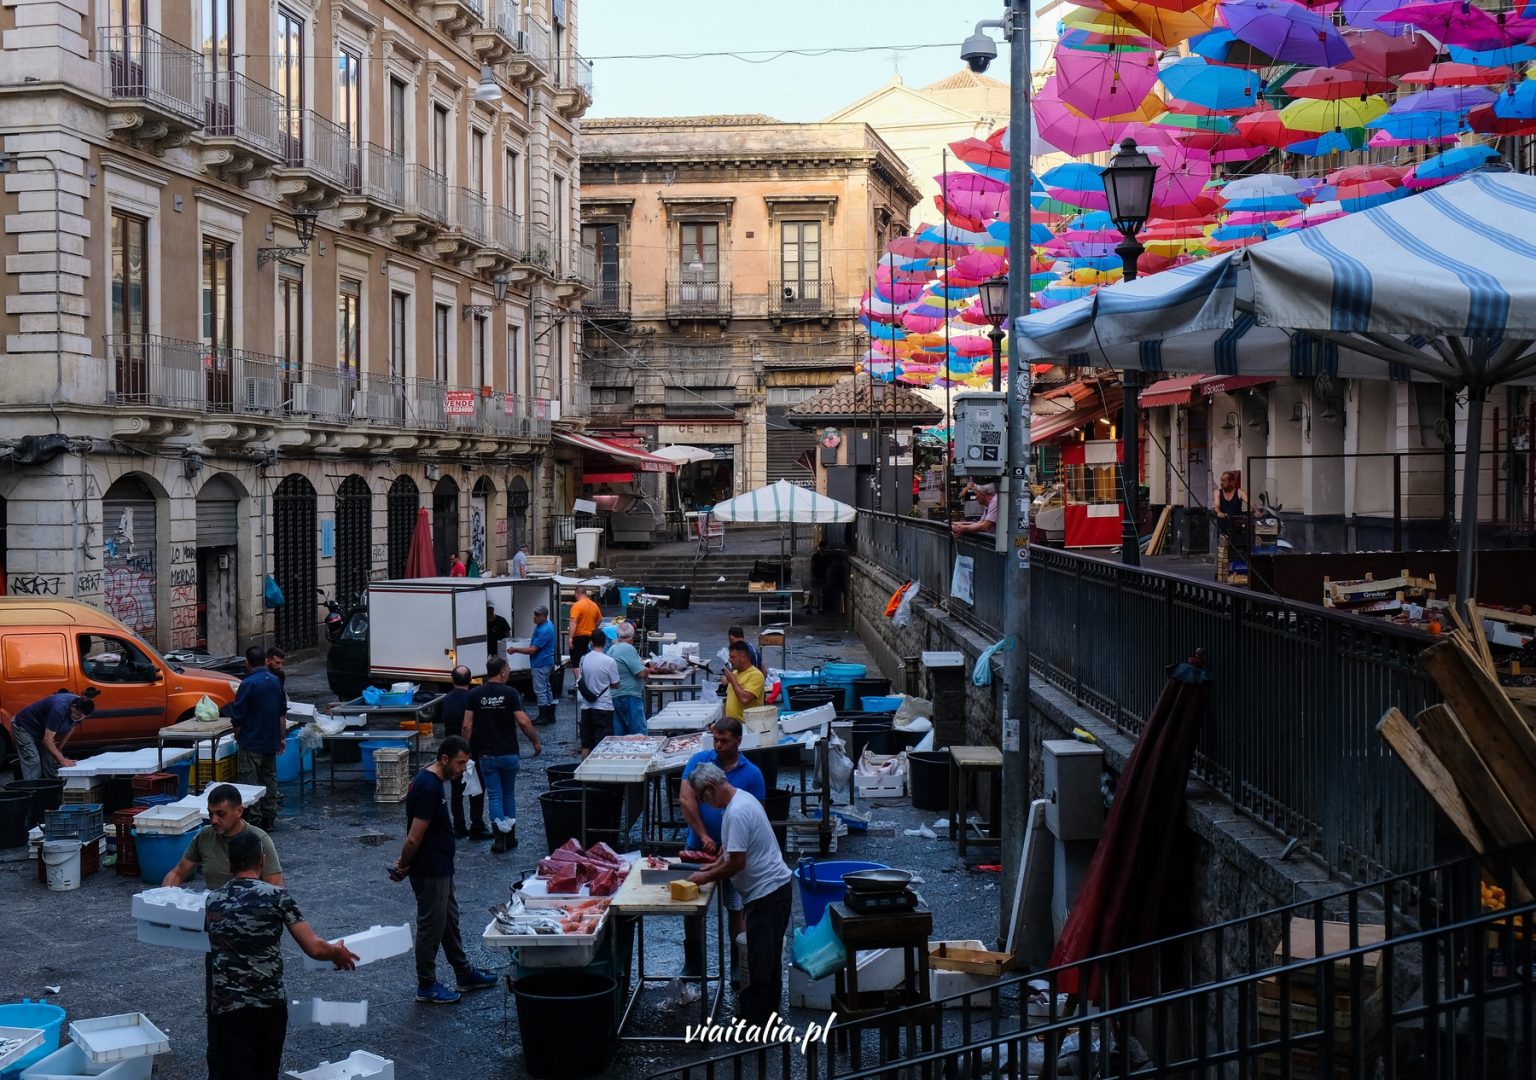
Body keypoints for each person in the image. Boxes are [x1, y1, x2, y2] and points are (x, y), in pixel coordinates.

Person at [204, 829, 357, 1080]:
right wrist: (337, 952)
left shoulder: (212, 900)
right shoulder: (277, 897)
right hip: (268, 1004)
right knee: (264, 1072)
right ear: (261, 861)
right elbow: (314, 948)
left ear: (229, 863)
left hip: (226, 1006)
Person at [389, 735, 498, 1005]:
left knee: (449, 921)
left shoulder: (433, 781)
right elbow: (414, 837)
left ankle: (464, 973)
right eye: (461, 763)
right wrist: (403, 865)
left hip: (440, 866)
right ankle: (426, 984)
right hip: (430, 869)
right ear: (445, 759)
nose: (463, 769)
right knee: (431, 926)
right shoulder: (428, 787)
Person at [686, 762, 794, 1024]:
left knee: (762, 964)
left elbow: (736, 863)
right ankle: (764, 1016)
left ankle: (758, 1023)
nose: (702, 803)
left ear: (711, 789)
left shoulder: (737, 811)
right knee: (765, 960)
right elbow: (727, 850)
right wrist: (711, 866)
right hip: (770, 891)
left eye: (701, 798)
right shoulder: (739, 800)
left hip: (768, 893)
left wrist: (706, 876)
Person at [679, 717, 766, 978]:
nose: (717, 745)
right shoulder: (699, 761)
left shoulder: (752, 774)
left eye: (724, 740)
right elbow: (685, 799)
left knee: (736, 908)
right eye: (715, 739)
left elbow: (757, 817)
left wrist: (729, 846)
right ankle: (693, 962)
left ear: (738, 740)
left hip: (734, 852)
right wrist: (703, 835)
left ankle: (738, 965)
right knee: (691, 906)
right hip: (697, 846)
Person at [463, 657, 542, 852]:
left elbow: (467, 725)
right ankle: (511, 837)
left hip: (486, 755)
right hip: (509, 753)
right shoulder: (511, 693)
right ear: (501, 672)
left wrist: (465, 750)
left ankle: (498, 840)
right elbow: (523, 721)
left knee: (495, 795)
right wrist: (535, 741)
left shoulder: (475, 694)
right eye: (507, 669)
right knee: (508, 793)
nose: (509, 672)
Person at [163, 783, 284, 890]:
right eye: (211, 814)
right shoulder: (204, 836)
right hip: (215, 908)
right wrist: (163, 897)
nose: (214, 820)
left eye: (221, 814)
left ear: (239, 811)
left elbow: (275, 885)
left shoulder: (259, 839)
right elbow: (177, 873)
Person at [230, 645, 285, 831]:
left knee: (250, 782)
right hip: (271, 740)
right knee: (269, 778)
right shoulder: (276, 681)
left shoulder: (248, 684)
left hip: (251, 741)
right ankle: (269, 818)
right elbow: (281, 714)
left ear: (247, 662)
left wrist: (238, 735)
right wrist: (282, 738)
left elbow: (238, 716)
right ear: (265, 660)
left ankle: (254, 821)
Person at [439, 666, 488, 841]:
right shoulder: (472, 698)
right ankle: (477, 825)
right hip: (470, 747)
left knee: (456, 790)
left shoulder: (446, 699)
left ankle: (459, 826)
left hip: (450, 749)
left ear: (452, 680)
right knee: (476, 788)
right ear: (470, 680)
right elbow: (470, 724)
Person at [9, 690, 95, 780]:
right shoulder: (58, 708)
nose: (79, 718)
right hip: (24, 725)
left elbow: (71, 727)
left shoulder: (81, 710)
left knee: (49, 757)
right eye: (78, 714)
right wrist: (62, 760)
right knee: (32, 759)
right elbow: (47, 740)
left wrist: (59, 750)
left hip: (41, 729)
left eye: (82, 717)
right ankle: (33, 789)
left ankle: (50, 786)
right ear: (73, 707)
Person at [510, 604, 558, 726]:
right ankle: (549, 715)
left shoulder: (544, 630)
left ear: (544, 616)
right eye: (534, 614)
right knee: (546, 687)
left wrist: (515, 650)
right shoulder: (546, 625)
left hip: (541, 663)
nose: (534, 617)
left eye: (537, 615)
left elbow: (532, 650)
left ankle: (543, 717)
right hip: (545, 662)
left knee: (540, 689)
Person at [575, 632, 620, 758]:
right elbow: (616, 683)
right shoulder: (609, 661)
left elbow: (581, 678)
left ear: (591, 642)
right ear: (605, 643)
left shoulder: (583, 659)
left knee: (586, 744)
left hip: (586, 706)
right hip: (603, 706)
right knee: (603, 744)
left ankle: (583, 772)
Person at [606, 622, 649, 736]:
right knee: (639, 734)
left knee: (619, 734)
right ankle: (640, 754)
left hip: (615, 694)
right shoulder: (627, 649)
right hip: (628, 695)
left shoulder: (612, 648)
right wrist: (648, 670)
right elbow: (640, 673)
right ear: (633, 635)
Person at [566, 585, 602, 695]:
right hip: (590, 637)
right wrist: (593, 629)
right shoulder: (594, 605)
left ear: (577, 593)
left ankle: (579, 684)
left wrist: (571, 637)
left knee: (576, 662)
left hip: (578, 636)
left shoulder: (577, 606)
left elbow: (573, 622)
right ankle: (589, 683)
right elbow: (599, 619)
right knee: (588, 661)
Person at [720, 640, 766, 724]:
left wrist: (733, 681)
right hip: (731, 727)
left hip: (748, 727)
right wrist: (722, 723)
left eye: (733, 657)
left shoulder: (756, 675)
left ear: (743, 657)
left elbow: (744, 699)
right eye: (729, 657)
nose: (729, 660)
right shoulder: (735, 673)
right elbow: (728, 701)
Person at [1214, 471, 1251, 542]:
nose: (1222, 483)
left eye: (1224, 480)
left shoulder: (1239, 492)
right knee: (1223, 548)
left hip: (1236, 525)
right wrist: (1219, 512)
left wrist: (1256, 510)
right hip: (1223, 525)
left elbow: (1250, 502)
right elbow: (1216, 505)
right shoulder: (1217, 492)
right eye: (1221, 480)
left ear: (1231, 482)